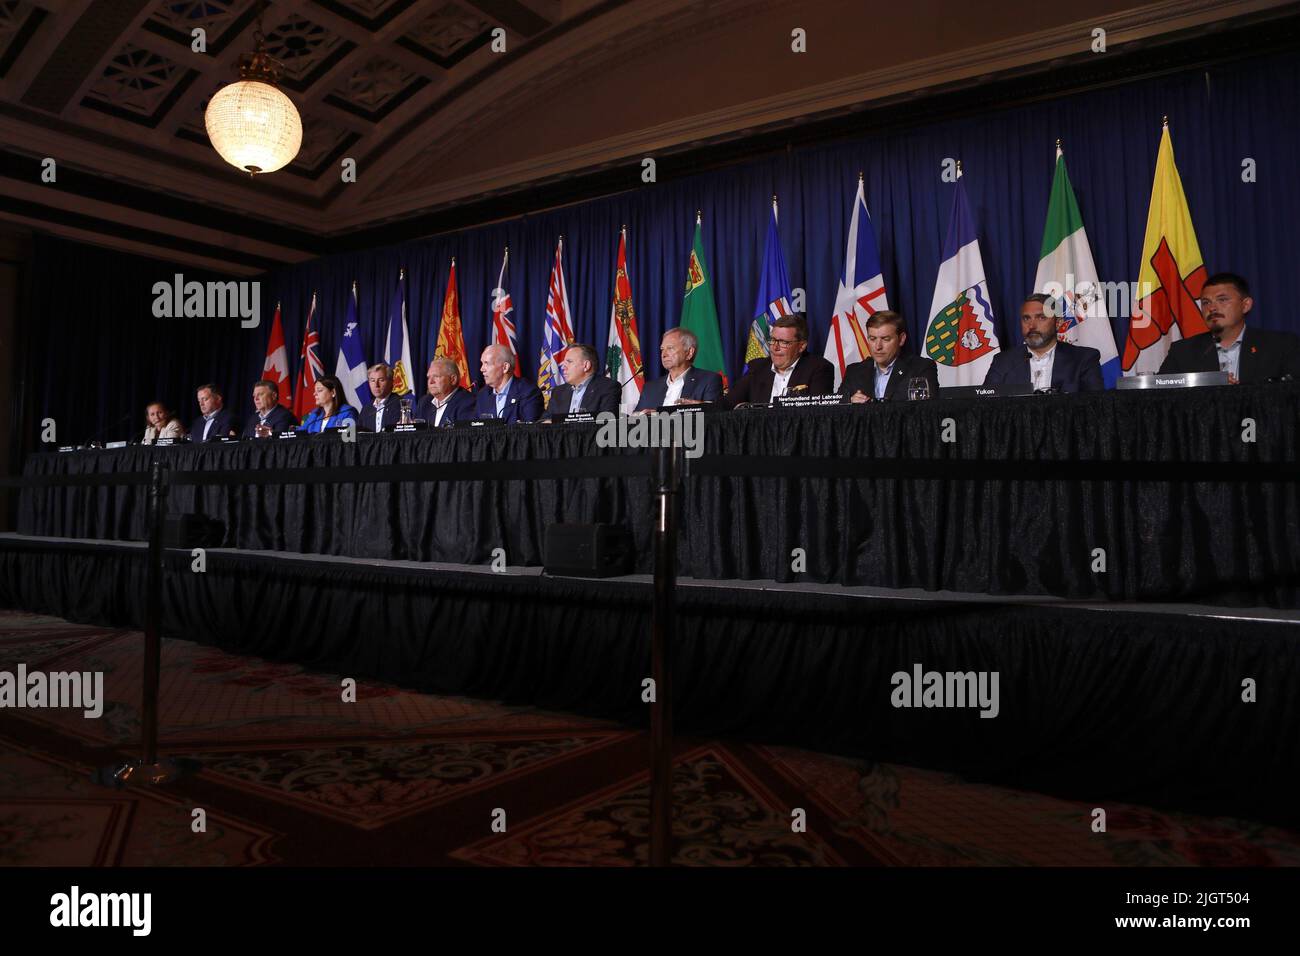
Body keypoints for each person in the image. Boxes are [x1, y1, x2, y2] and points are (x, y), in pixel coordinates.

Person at [1158, 272, 1300, 382]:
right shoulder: (1183, 352)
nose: (1212, 308)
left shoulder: (1281, 346)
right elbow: (1157, 397)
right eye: (1206, 302)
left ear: (1246, 305)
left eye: (1222, 299)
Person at [982, 293, 1103, 392]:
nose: (1032, 326)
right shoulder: (1003, 362)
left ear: (1058, 323)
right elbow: (985, 404)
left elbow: (1095, 407)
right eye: (1026, 318)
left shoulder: (1083, 359)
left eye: (1041, 318)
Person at [716, 314, 835, 409]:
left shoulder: (819, 368)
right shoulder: (758, 367)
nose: (775, 347)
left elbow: (819, 414)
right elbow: (728, 403)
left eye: (784, 342)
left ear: (801, 346)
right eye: (773, 340)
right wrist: (701, 406)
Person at [839, 311, 939, 402]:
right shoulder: (854, 372)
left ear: (901, 339)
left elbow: (927, 412)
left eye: (885, 339)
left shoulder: (921, 368)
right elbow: (835, 409)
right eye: (872, 339)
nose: (878, 346)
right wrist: (849, 403)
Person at [635, 328, 724, 411]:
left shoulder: (709, 381)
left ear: (689, 353)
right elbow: (634, 419)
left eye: (670, 348)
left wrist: (698, 407)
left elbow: (715, 416)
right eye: (662, 349)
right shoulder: (650, 388)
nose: (664, 354)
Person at [545, 344, 621, 419]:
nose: (563, 366)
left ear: (586, 366)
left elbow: (607, 420)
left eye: (569, 361)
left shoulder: (607, 388)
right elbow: (543, 422)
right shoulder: (558, 392)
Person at [473, 344, 543, 423]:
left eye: (487, 363)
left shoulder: (528, 393)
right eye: (482, 363)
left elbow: (531, 429)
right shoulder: (483, 395)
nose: (482, 369)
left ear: (505, 367)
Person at [415, 358, 476, 427]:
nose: (431, 382)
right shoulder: (424, 402)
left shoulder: (467, 402)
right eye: (428, 377)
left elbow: (464, 435)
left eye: (436, 376)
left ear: (453, 379)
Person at [359, 363, 405, 431]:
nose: (376, 385)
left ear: (391, 382)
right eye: (372, 380)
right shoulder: (366, 409)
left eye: (381, 380)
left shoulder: (399, 404)